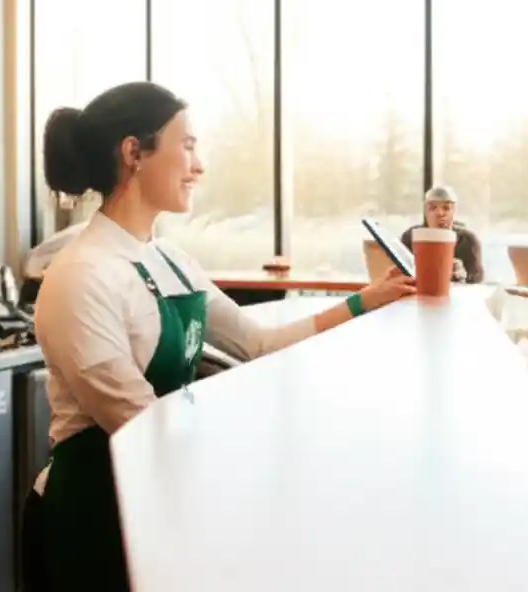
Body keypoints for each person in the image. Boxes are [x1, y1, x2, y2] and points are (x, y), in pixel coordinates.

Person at [22, 82, 416, 591]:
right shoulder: (80, 274)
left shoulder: (171, 262)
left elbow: (258, 346)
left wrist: (367, 300)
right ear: (133, 153)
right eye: (186, 145)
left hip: (155, 499)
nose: (198, 165)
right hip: (91, 514)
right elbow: (139, 421)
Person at [400, 185, 484, 284]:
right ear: (426, 212)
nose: (440, 213)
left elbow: (477, 277)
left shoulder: (467, 240)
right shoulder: (411, 236)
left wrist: (462, 274)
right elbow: (399, 272)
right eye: (433, 208)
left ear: (454, 211)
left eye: (446, 208)